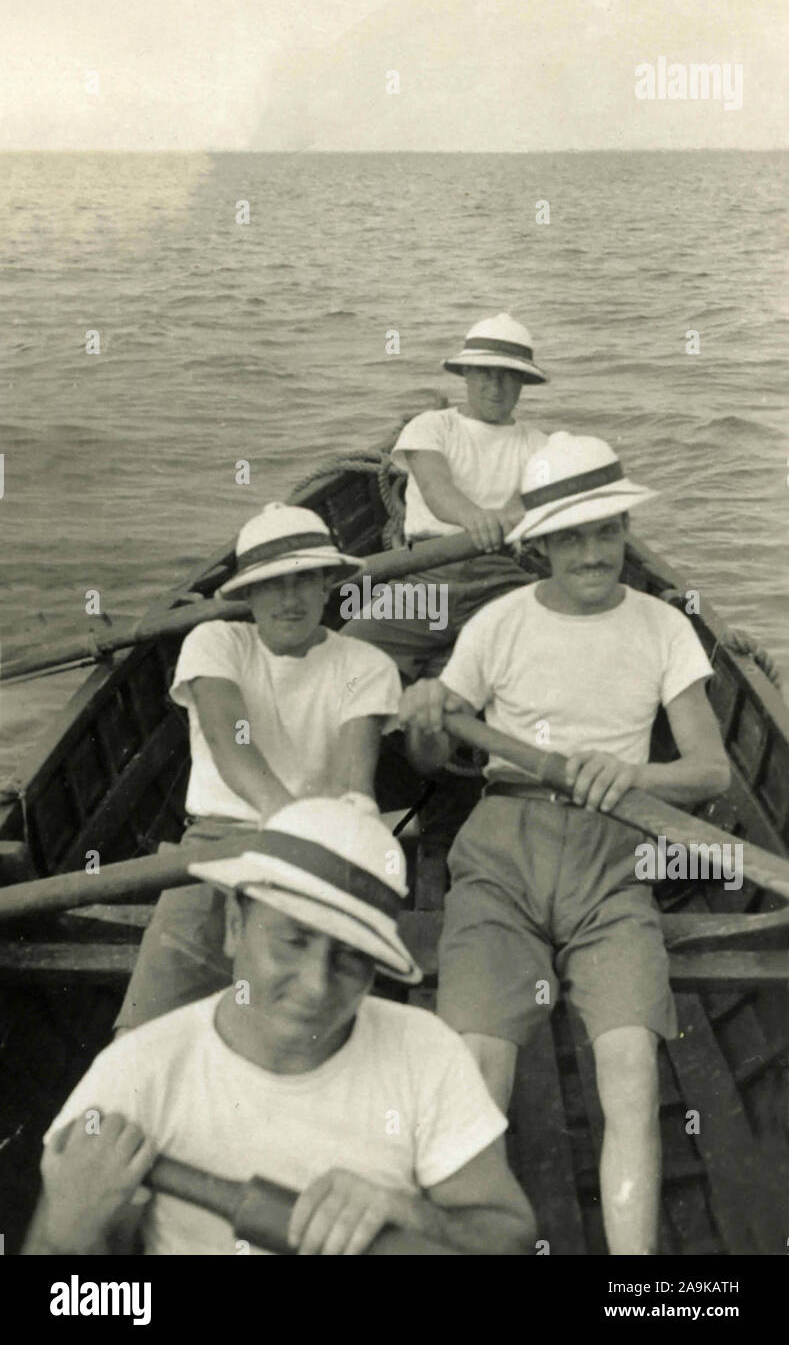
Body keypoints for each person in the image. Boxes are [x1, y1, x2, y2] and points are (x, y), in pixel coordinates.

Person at [399, 432, 732, 1256]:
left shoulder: (663, 628)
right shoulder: (497, 623)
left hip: (614, 862)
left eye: (608, 530)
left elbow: (709, 772)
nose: (594, 552)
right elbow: (433, 763)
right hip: (500, 857)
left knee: (629, 1074)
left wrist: (627, 774)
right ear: (540, 545)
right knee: (479, 1078)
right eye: (573, 536)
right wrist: (427, 724)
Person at [23, 798, 535, 1257]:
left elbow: (508, 1239)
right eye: (293, 940)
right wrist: (71, 1237)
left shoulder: (426, 1053)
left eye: (350, 958)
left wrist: (406, 1211)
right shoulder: (136, 1074)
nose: (316, 986)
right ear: (235, 927)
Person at [114, 503, 402, 1031]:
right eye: (272, 585)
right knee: (141, 1032)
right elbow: (232, 747)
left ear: (328, 585)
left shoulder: (367, 665)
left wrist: (314, 841)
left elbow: (352, 782)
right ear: (248, 594)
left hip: (322, 850)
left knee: (313, 1026)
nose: (290, 599)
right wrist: (286, 822)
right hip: (216, 844)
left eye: (304, 580)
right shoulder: (214, 643)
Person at [342, 313, 550, 682]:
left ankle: (451, 674)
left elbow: (526, 501)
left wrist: (502, 523)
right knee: (343, 662)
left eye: (508, 375)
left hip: (499, 579)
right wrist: (476, 520)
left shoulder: (539, 445)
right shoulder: (431, 426)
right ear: (466, 374)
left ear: (522, 382)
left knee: (549, 659)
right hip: (423, 577)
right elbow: (438, 490)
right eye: (485, 373)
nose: (496, 386)